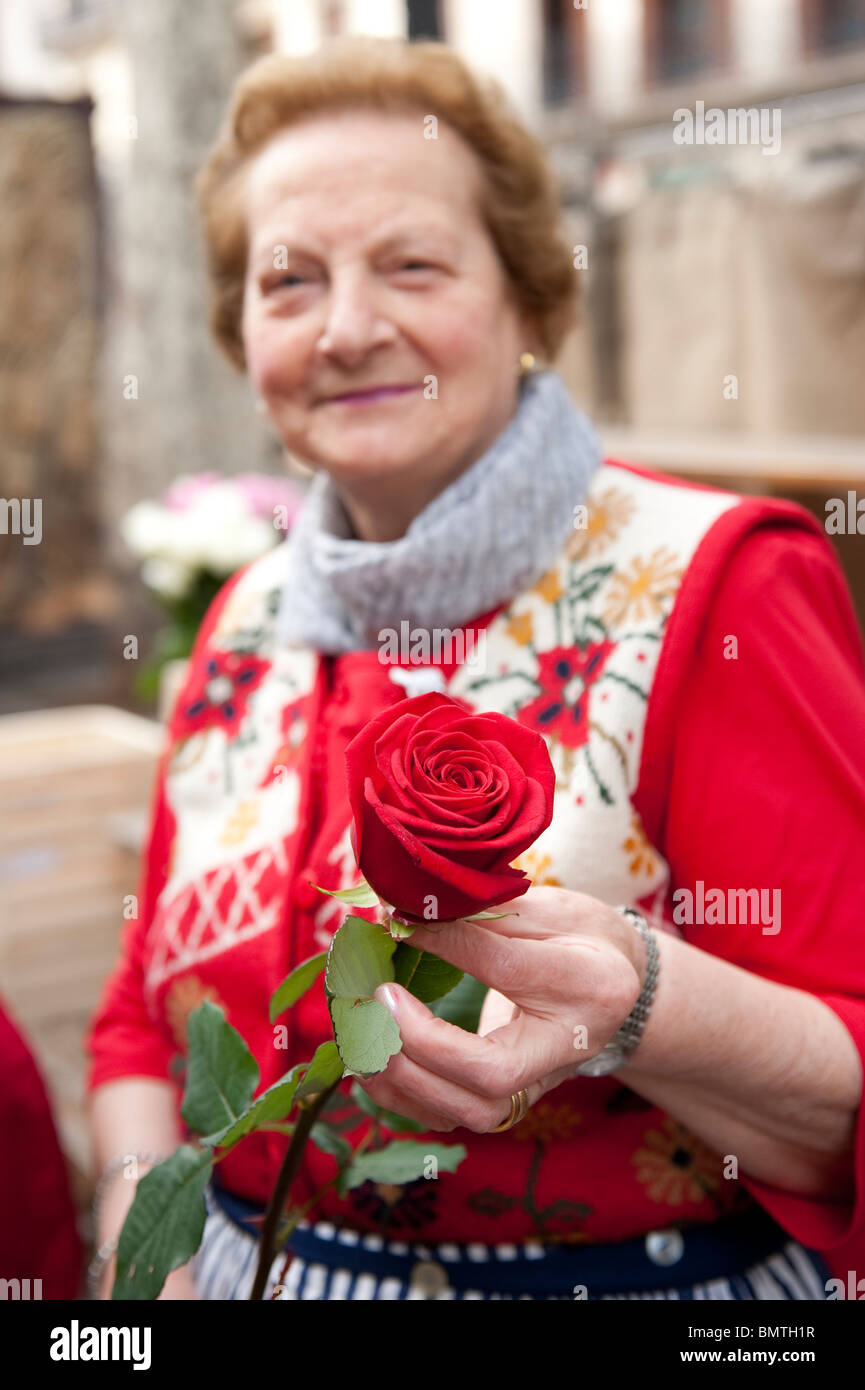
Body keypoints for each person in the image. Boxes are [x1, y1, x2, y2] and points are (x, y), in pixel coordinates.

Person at [85, 36, 865, 1301]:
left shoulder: (722, 582)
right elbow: (136, 1019)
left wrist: (636, 1004)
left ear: (524, 296)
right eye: (288, 283)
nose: (346, 328)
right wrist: (141, 1247)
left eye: (412, 264)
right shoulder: (244, 612)